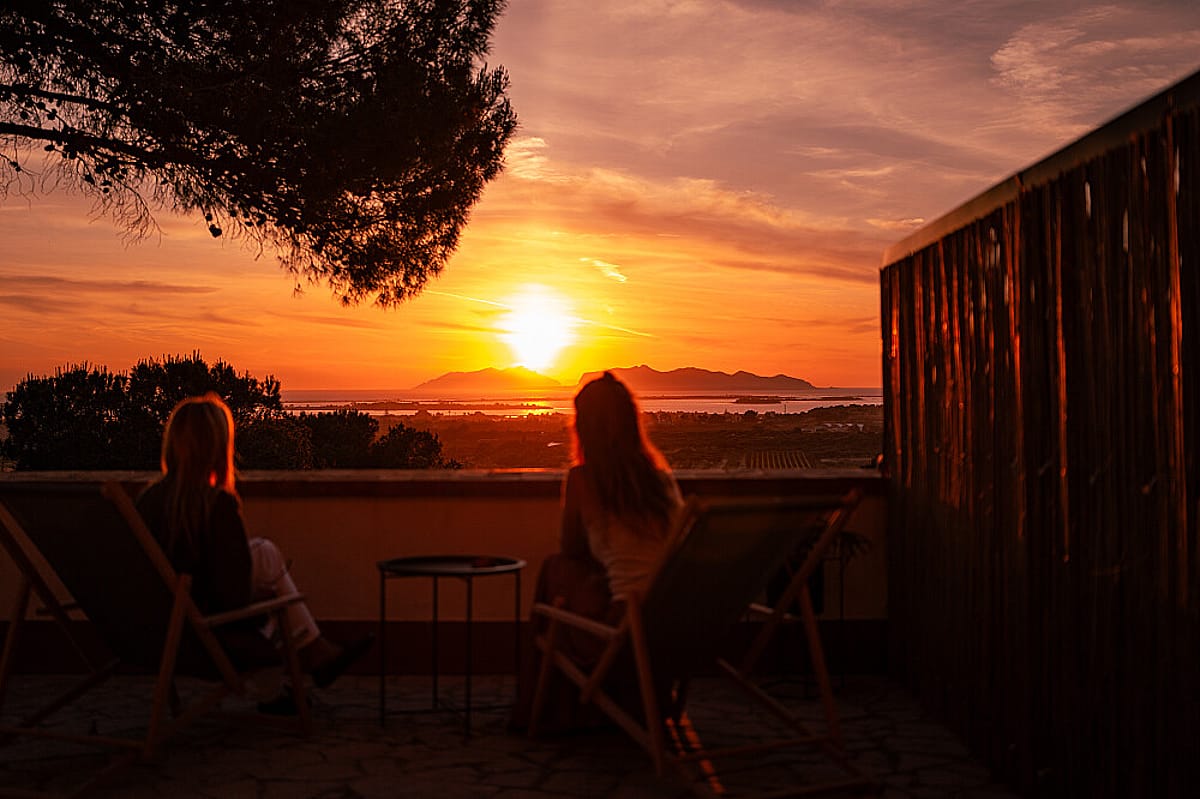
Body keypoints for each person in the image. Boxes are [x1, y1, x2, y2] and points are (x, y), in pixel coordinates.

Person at [136, 393, 371, 709]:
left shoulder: (148, 502)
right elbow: (231, 598)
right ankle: (307, 661)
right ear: (217, 447)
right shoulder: (216, 505)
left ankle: (313, 656)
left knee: (263, 554)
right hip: (203, 629)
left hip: (156, 630)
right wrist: (264, 596)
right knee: (269, 567)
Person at [511, 371, 683, 731]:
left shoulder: (583, 479)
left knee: (556, 570)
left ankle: (551, 710)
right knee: (577, 577)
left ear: (584, 427)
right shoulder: (660, 481)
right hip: (675, 624)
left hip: (628, 627)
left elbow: (571, 548)